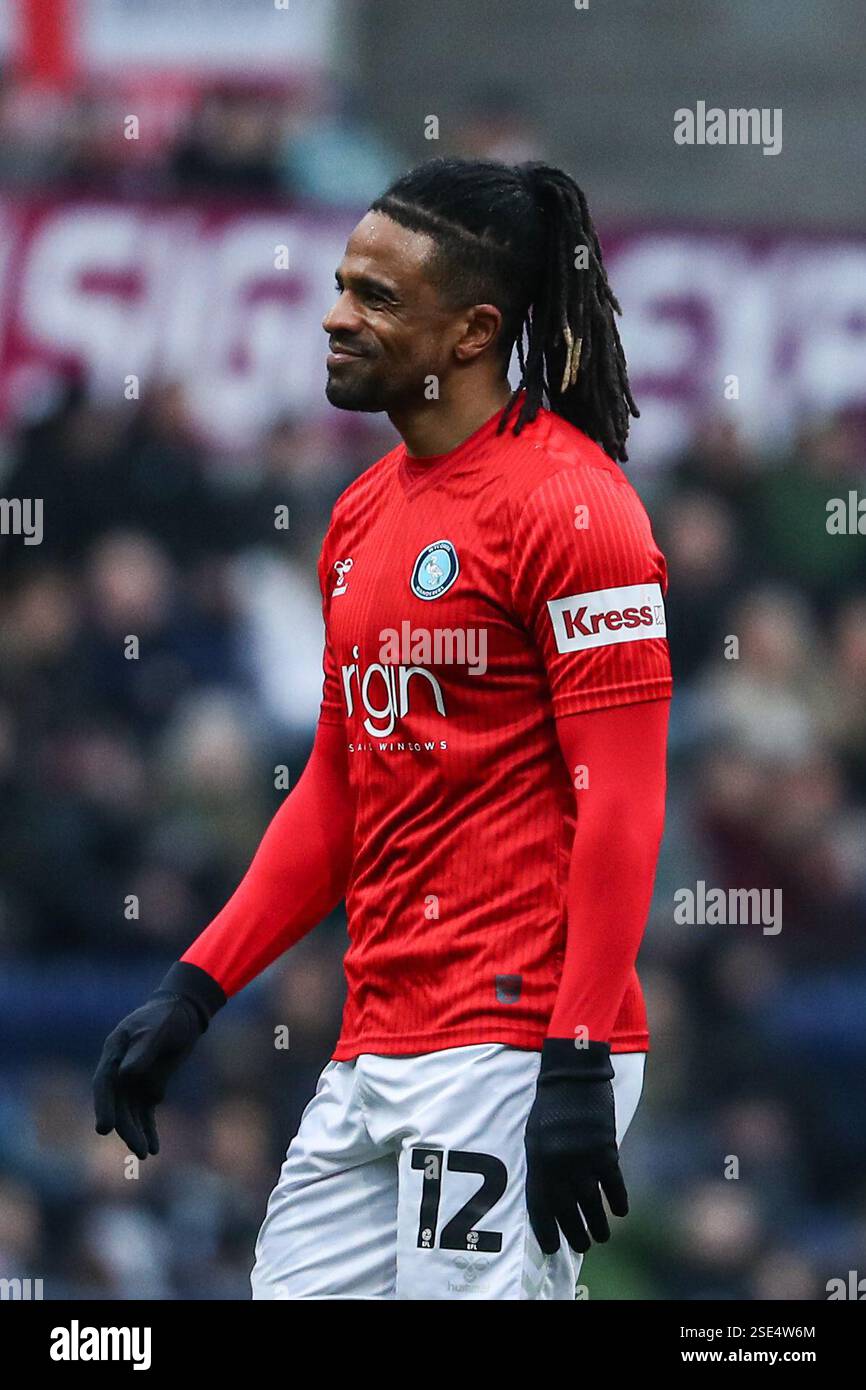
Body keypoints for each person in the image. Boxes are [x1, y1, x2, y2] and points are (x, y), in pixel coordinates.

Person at [94, 157, 672, 1301]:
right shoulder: (362, 513)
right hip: (377, 1036)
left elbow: (624, 801)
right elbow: (338, 791)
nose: (333, 314)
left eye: (373, 296)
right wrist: (197, 986)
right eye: (341, 283)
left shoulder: (575, 509)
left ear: (469, 332)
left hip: (512, 1037)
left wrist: (575, 1052)